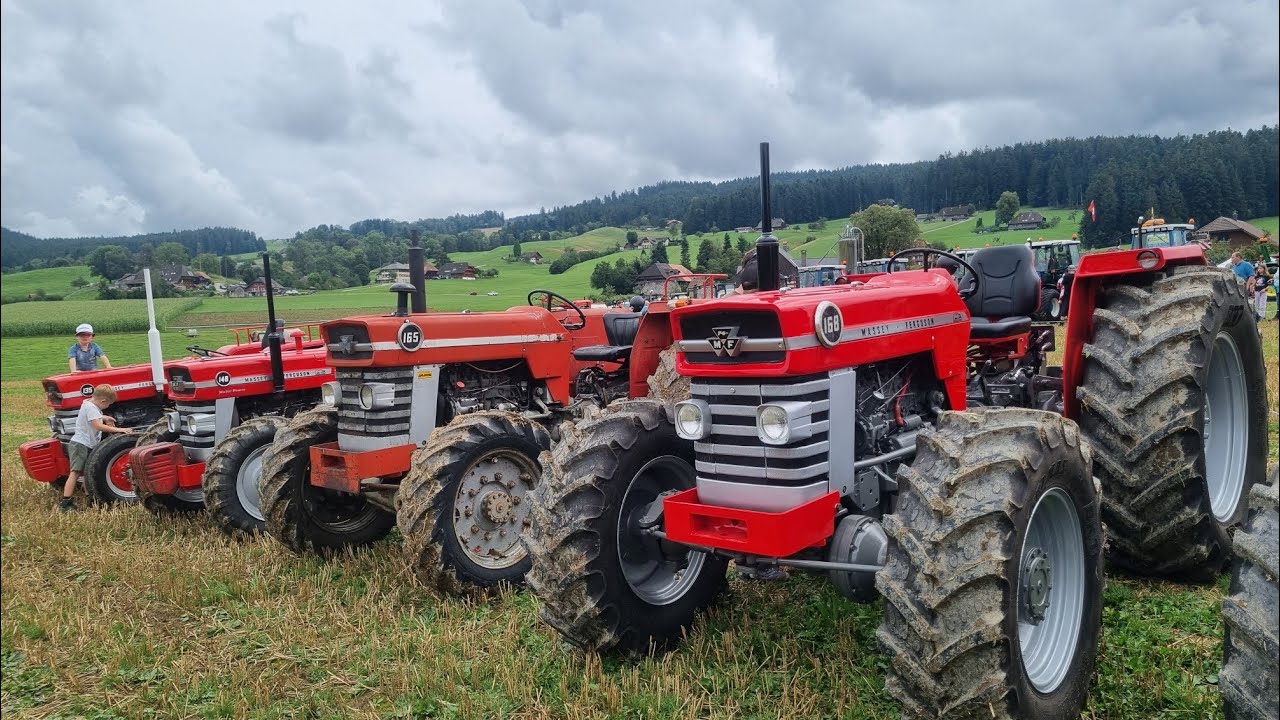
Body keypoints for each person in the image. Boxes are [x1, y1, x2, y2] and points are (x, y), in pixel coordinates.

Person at [59, 384, 135, 511]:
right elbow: (97, 426)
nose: (108, 407)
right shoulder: (91, 408)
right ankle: (66, 502)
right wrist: (120, 429)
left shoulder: (88, 403)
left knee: (87, 472)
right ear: (103, 401)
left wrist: (104, 417)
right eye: (108, 404)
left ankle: (91, 499)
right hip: (81, 444)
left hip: (86, 443)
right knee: (75, 473)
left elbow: (93, 417)